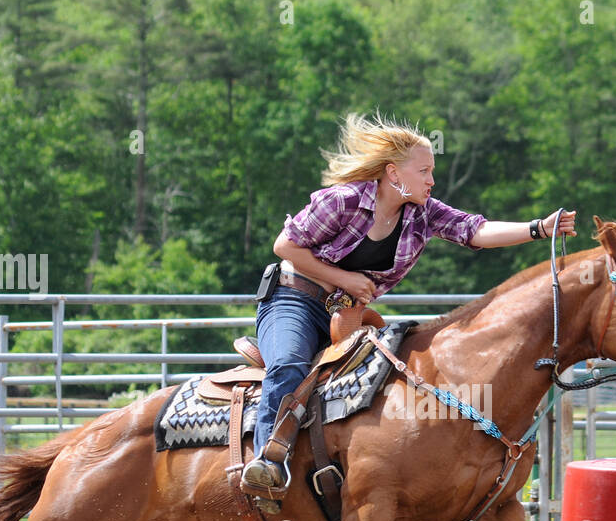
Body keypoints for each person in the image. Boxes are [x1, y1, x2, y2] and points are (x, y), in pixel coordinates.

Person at [242, 111, 576, 492]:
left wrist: (538, 228)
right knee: (289, 364)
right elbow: (285, 246)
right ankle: (266, 461)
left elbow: (475, 230)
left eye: (432, 171)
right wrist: (345, 278)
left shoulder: (424, 214)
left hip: (350, 316)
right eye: (424, 171)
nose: (432, 180)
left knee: (390, 387)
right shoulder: (343, 201)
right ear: (394, 174)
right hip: (295, 300)